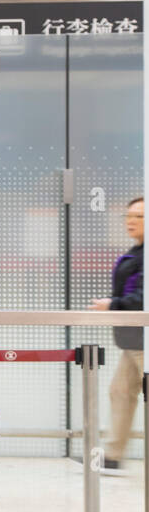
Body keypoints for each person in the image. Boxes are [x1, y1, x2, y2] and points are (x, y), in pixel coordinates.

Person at [89, 196, 144, 472]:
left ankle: (113, 453)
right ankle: (112, 455)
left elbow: (143, 298)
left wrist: (113, 305)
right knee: (120, 391)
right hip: (133, 340)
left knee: (124, 391)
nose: (131, 221)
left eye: (139, 216)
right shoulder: (138, 251)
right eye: (129, 216)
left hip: (143, 341)